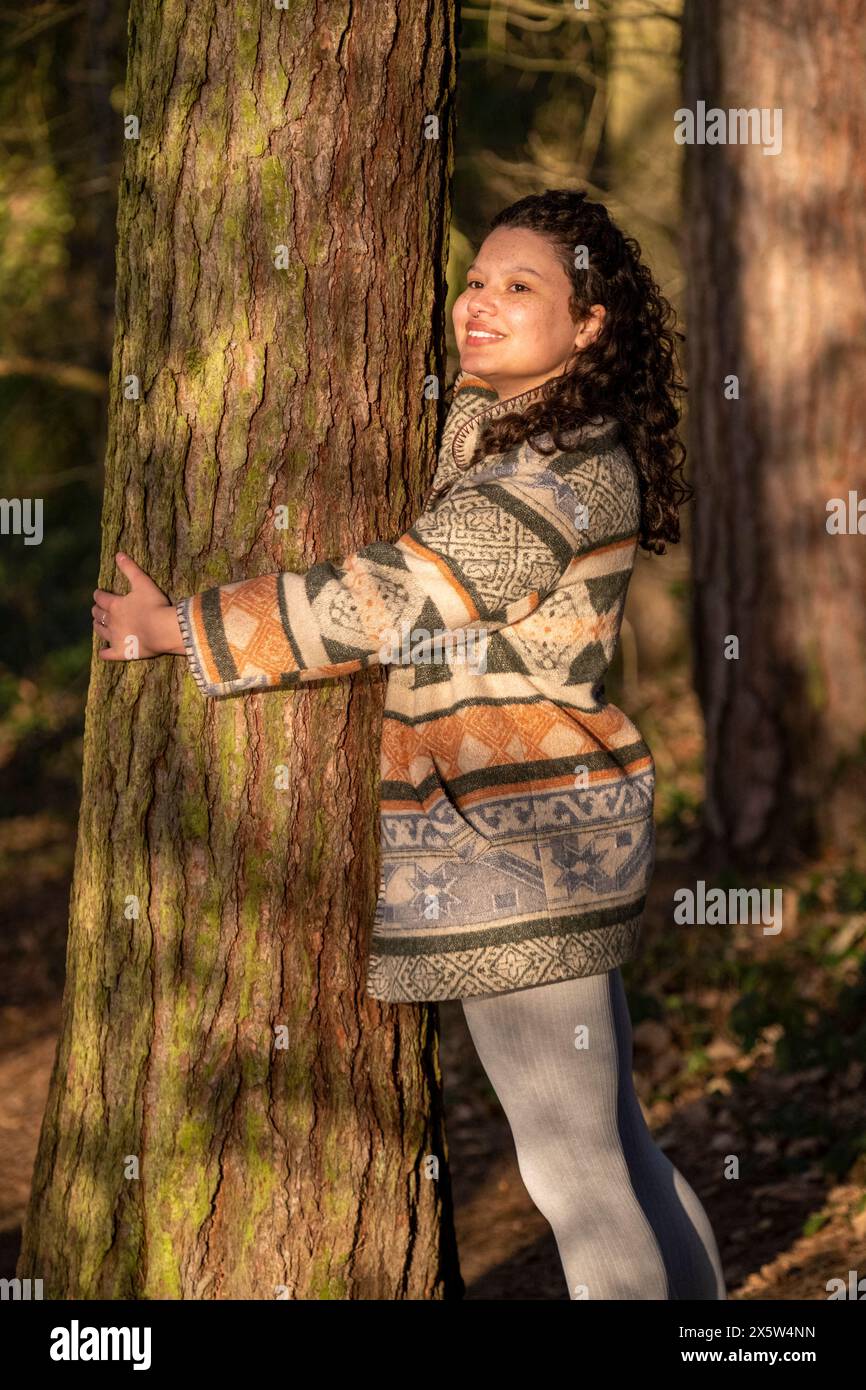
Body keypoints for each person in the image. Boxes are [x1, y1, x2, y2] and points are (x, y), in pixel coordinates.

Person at [91, 188, 726, 1300]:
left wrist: (182, 627)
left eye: (519, 287)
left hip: (516, 847)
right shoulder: (519, 435)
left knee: (574, 1167)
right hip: (547, 837)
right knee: (611, 1144)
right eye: (476, 278)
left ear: (590, 326)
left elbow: (391, 596)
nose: (476, 301)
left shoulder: (554, 470)